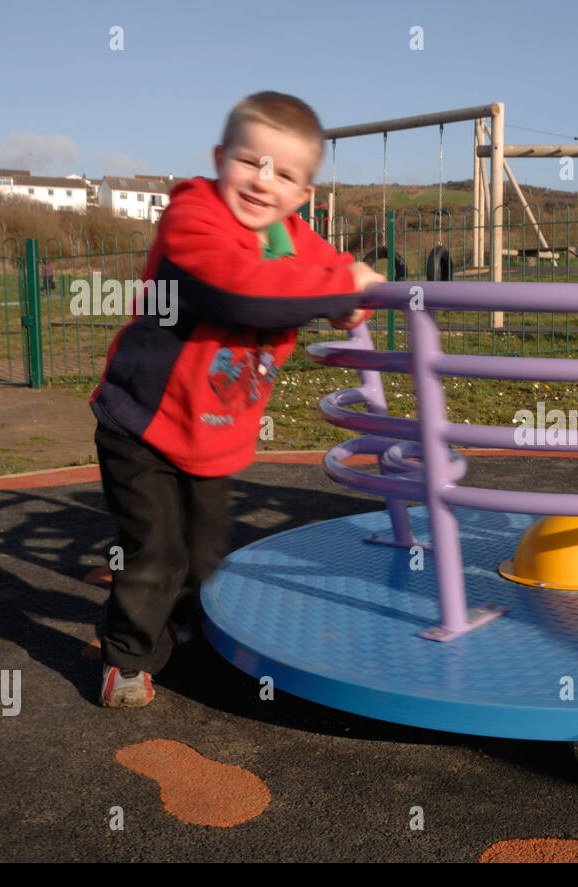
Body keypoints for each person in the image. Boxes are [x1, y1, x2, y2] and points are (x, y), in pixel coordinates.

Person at [89, 91, 385, 707]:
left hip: (214, 437)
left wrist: (353, 288)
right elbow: (241, 293)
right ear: (221, 157)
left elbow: (334, 274)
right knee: (156, 554)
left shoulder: (292, 237)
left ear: (304, 195)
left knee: (203, 558)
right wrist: (336, 288)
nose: (263, 181)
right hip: (142, 426)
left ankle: (189, 634)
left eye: (286, 174)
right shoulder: (192, 221)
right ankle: (128, 658)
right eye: (251, 161)